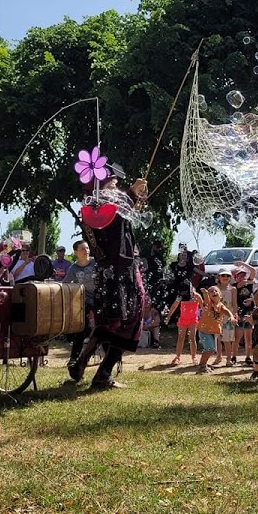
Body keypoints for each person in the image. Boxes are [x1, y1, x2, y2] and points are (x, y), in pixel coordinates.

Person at [67, 164, 151, 389]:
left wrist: (136, 199)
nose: (117, 187)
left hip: (115, 270)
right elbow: (113, 218)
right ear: (99, 188)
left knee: (117, 321)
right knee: (123, 321)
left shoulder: (96, 206)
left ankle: (87, 365)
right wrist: (132, 194)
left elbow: (121, 219)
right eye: (112, 184)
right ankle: (97, 371)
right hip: (120, 271)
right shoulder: (99, 205)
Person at [64, 239, 97, 367]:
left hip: (100, 298)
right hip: (85, 300)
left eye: (87, 248)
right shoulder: (73, 268)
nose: (86, 251)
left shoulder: (96, 263)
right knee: (81, 328)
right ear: (76, 252)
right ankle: (74, 358)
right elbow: (65, 285)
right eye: (83, 249)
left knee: (104, 326)